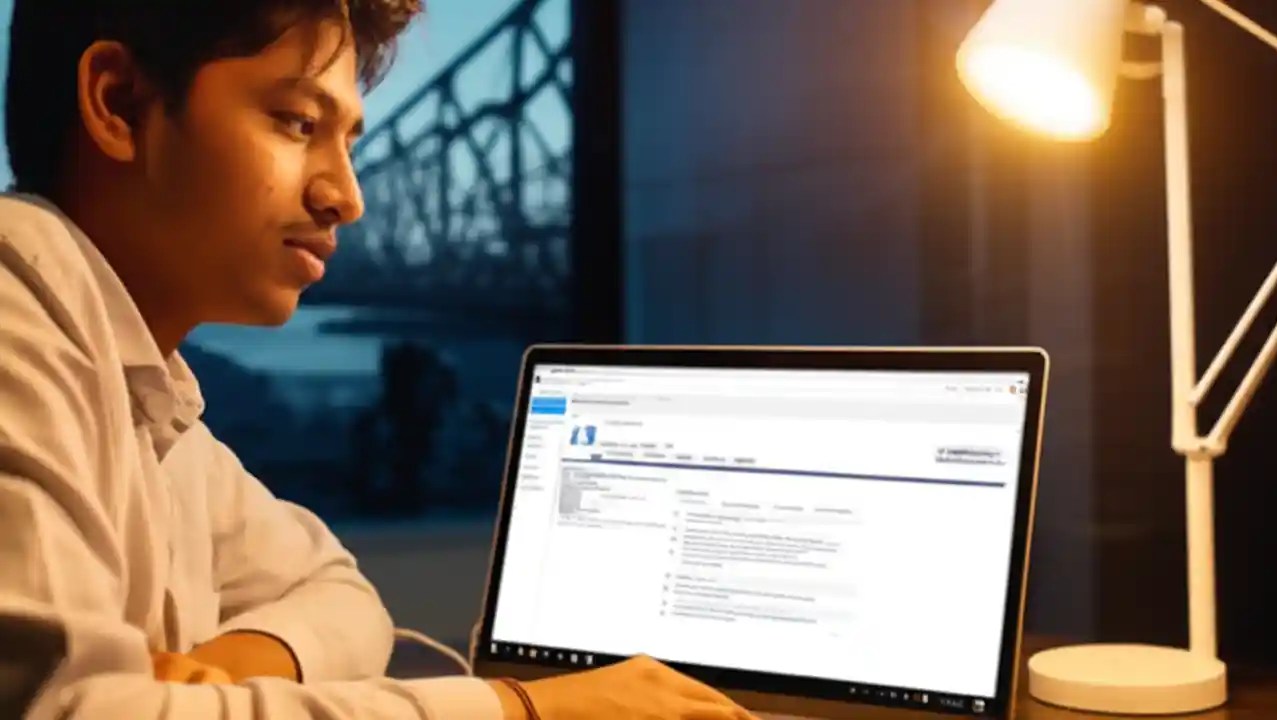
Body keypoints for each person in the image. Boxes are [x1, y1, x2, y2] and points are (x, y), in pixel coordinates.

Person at [0, 2, 756, 719]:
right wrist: (525, 706)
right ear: (120, 103)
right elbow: (73, 710)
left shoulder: (151, 408)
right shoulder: (15, 307)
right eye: (298, 122)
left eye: (351, 144)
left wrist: (231, 669)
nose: (347, 197)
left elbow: (341, 594)